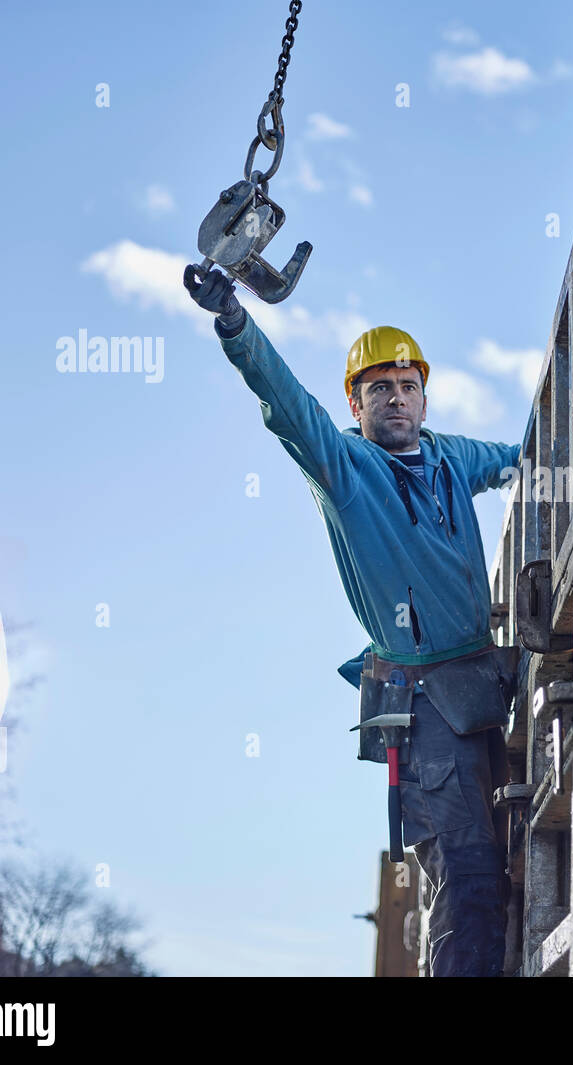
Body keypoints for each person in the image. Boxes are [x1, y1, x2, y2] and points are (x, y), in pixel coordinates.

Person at [184, 267, 520, 977]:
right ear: (356, 403)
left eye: (406, 387)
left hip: (483, 690)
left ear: (424, 397)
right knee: (465, 882)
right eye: (378, 390)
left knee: (507, 873)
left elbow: (527, 459)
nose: (395, 400)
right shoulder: (345, 466)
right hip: (426, 708)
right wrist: (236, 327)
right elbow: (287, 406)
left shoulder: (454, 458)